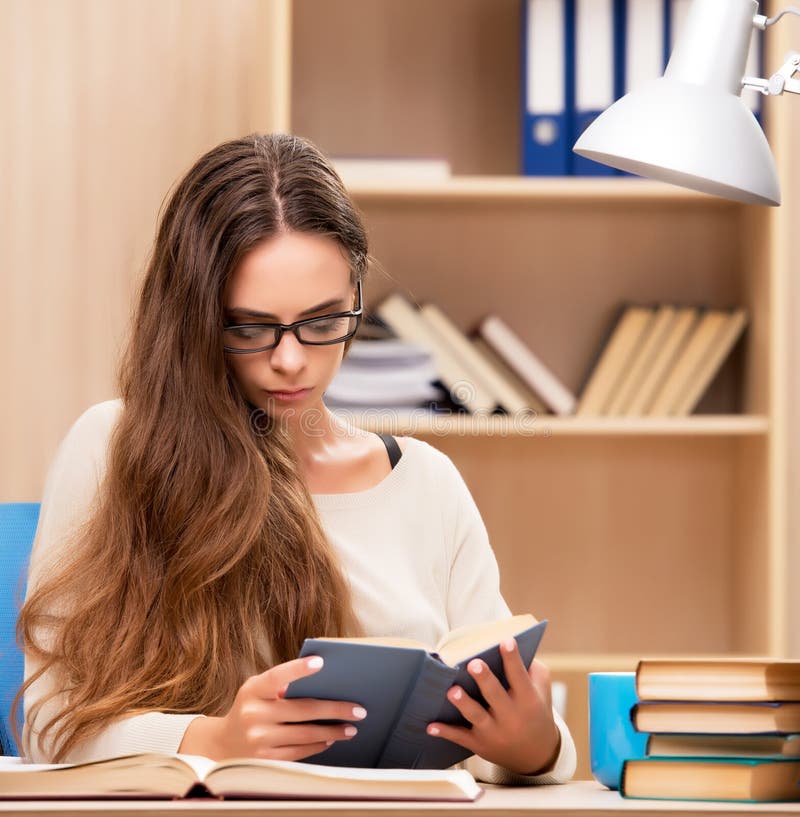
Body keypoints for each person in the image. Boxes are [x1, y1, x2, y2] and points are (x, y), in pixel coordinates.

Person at [18, 133, 576, 784]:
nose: (290, 360)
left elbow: (509, 716)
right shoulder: (114, 447)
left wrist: (535, 746)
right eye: (251, 327)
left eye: (322, 322)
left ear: (356, 297)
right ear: (195, 319)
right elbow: (48, 728)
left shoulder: (425, 482)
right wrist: (213, 739)